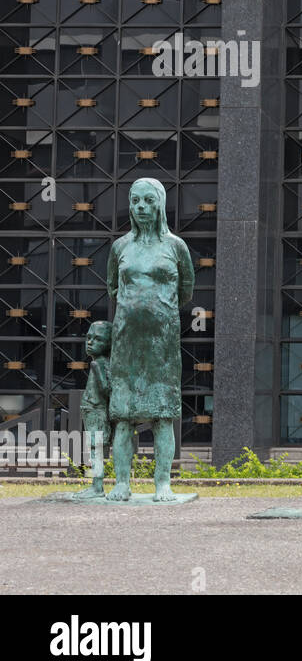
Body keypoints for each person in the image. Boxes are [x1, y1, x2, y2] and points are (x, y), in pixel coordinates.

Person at [105, 177, 194, 502]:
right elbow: (114, 288)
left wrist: (158, 311)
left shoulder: (175, 247)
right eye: (135, 200)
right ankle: (122, 483)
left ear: (160, 204)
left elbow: (186, 289)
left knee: (162, 414)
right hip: (127, 343)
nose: (141, 207)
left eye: (148, 200)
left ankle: (163, 483)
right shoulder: (120, 247)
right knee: (124, 416)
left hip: (163, 345)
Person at [74, 321, 112, 498]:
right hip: (91, 409)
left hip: (96, 409)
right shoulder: (99, 362)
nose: (90, 343)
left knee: (96, 450)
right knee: (95, 449)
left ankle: (97, 487)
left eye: (97, 339)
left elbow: (105, 388)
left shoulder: (99, 364)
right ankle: (96, 486)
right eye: (88, 338)